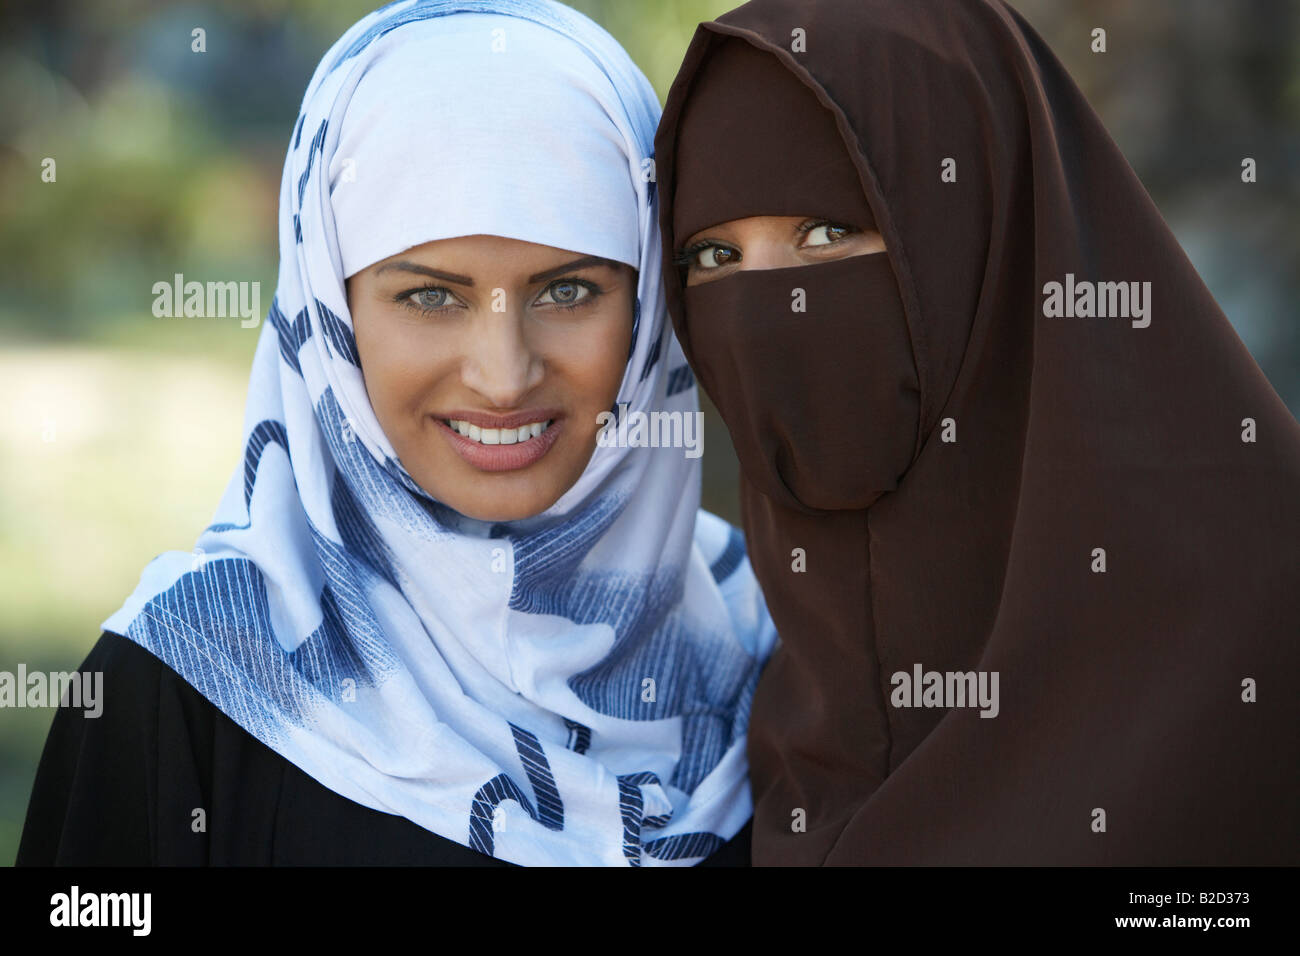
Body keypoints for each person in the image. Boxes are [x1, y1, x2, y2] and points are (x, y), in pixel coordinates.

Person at [16, 0, 776, 867]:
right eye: (430, 296)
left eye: (568, 291)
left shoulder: (776, 657)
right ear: (332, 313)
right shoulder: (183, 682)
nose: (503, 373)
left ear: (649, 316)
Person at [654, 0, 1300, 865]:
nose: (768, 317)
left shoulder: (1263, 630)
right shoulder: (723, 712)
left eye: (828, 232)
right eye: (716, 259)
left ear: (989, 226)